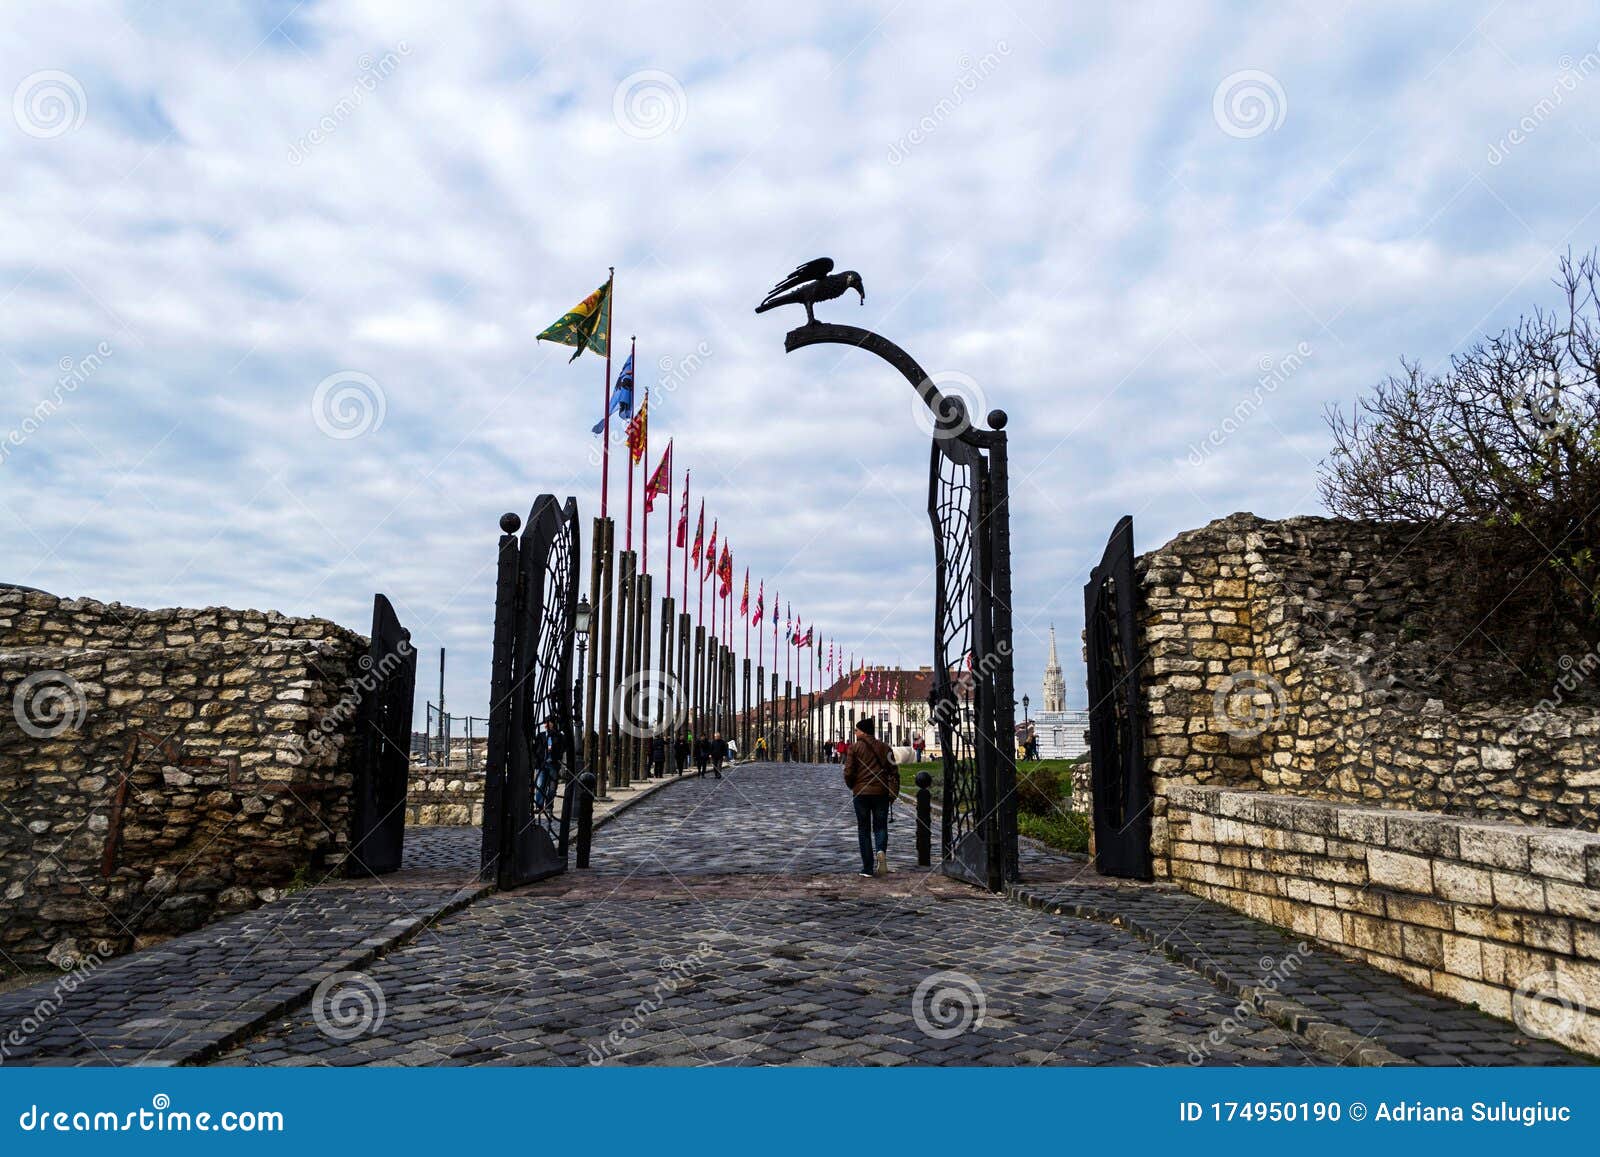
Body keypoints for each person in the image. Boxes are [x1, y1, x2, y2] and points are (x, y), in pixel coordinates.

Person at [843, 716, 898, 877]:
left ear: (863, 731)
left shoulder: (854, 748)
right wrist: (893, 793)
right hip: (881, 793)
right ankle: (880, 850)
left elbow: (848, 771)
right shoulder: (885, 747)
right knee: (880, 827)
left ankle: (867, 868)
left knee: (864, 829)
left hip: (861, 794)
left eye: (857, 730)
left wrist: (853, 785)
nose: (855, 732)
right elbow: (894, 773)